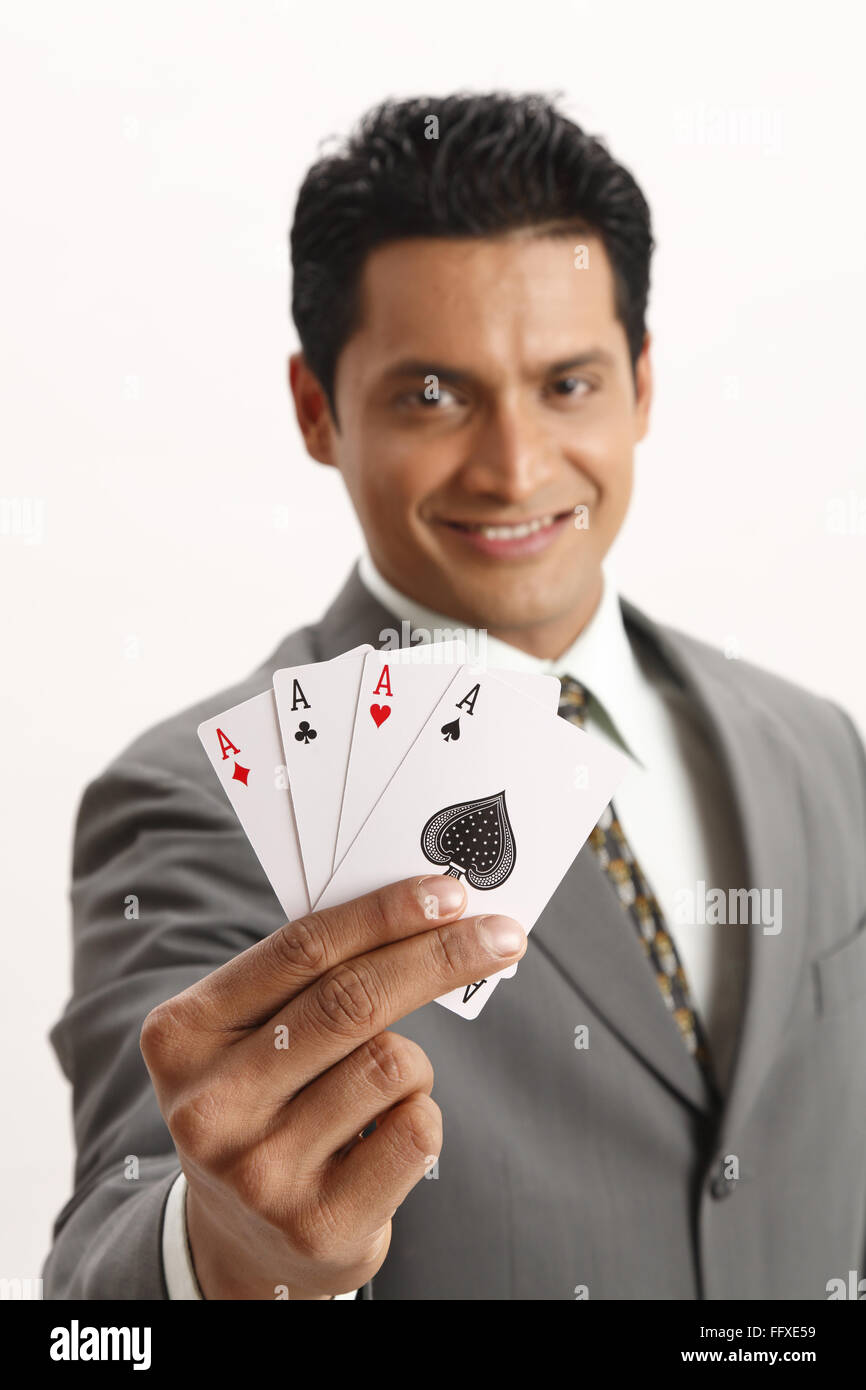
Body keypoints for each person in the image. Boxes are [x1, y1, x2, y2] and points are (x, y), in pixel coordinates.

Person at [44, 91, 866, 1301]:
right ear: (317, 409)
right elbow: (109, 1262)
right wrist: (229, 1254)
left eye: (568, 384)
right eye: (433, 395)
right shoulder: (200, 799)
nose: (517, 468)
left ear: (640, 385)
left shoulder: (814, 743)